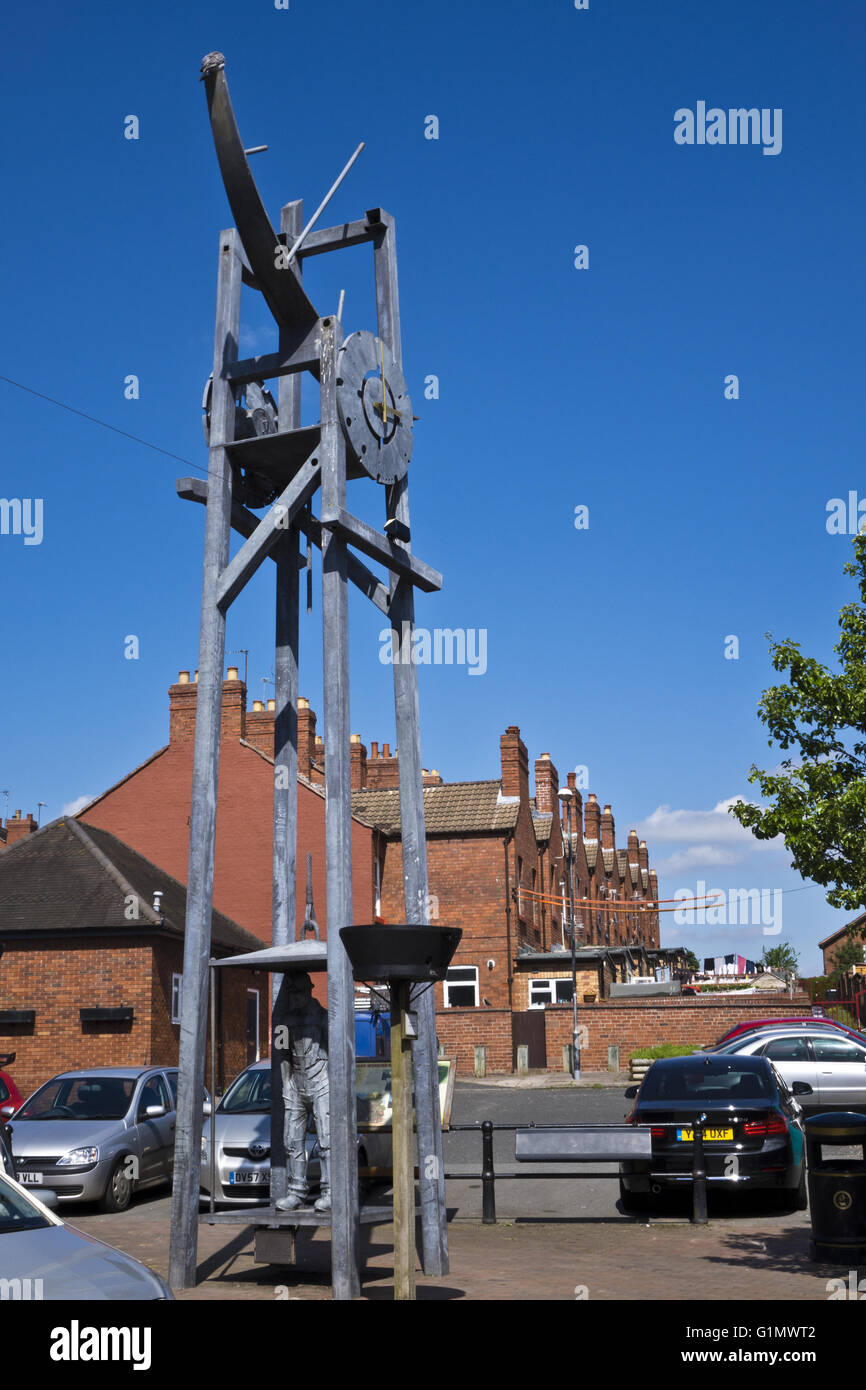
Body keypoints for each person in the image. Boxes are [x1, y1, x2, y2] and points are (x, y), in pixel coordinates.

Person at [274, 973, 330, 1212]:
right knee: (291, 1140)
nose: (293, 998)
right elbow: (282, 1053)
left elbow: (337, 1052)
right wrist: (286, 1082)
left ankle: (330, 1192)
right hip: (296, 1083)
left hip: (321, 1082)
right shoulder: (285, 1021)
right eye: (290, 994)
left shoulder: (324, 1017)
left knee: (326, 1140)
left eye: (296, 993)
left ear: (307, 991)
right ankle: (296, 1191)